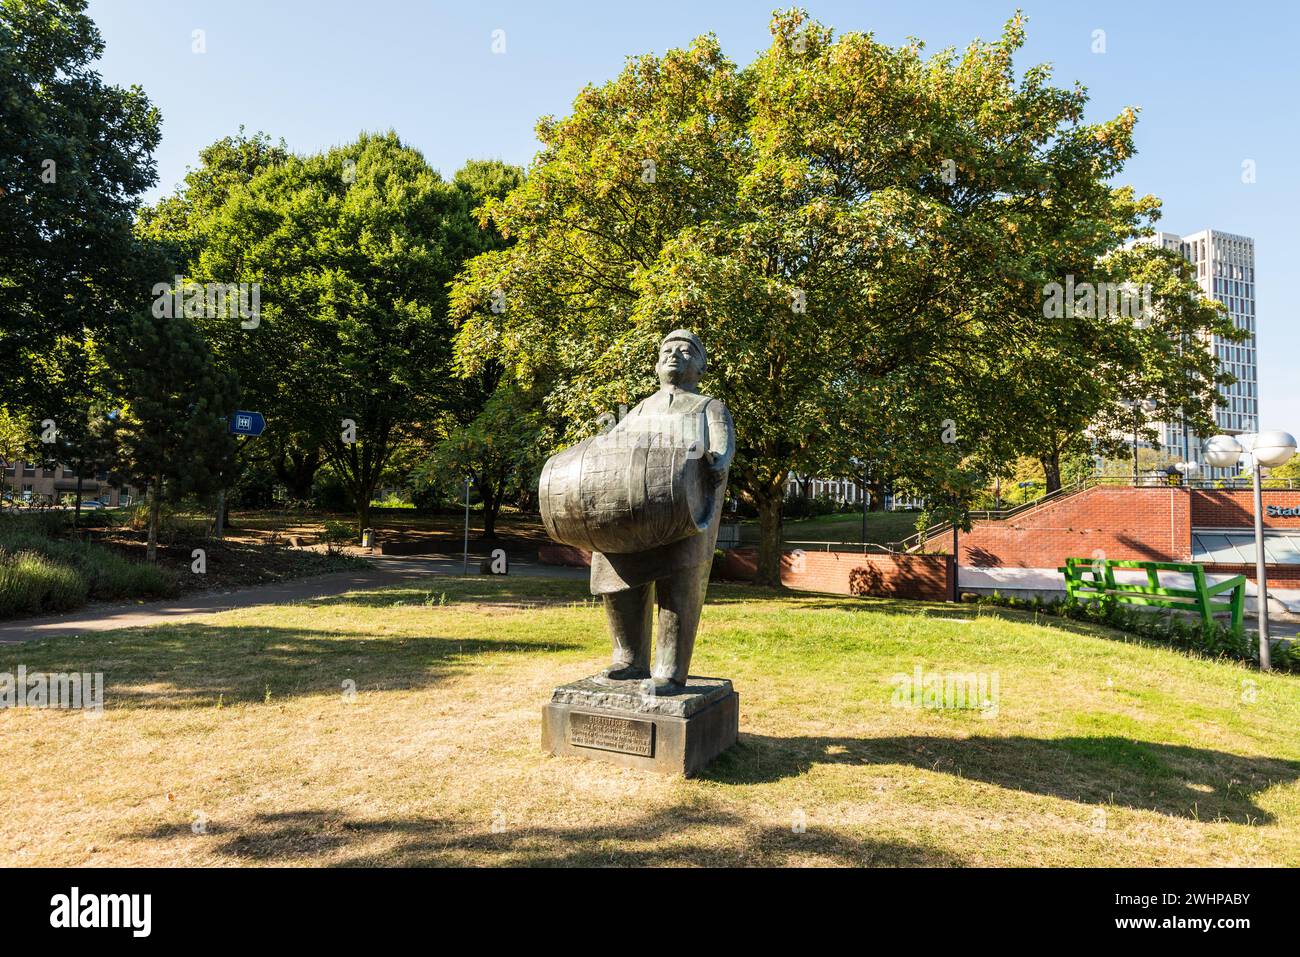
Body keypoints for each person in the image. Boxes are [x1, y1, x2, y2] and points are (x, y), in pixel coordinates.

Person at [590, 329, 735, 694]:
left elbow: (721, 452)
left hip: (687, 513)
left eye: (686, 351)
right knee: (613, 565)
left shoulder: (709, 407)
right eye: (667, 350)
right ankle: (628, 658)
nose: (674, 355)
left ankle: (669, 670)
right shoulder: (639, 409)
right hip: (636, 512)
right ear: (656, 363)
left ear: (700, 366)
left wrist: (716, 462)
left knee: (678, 585)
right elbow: (612, 452)